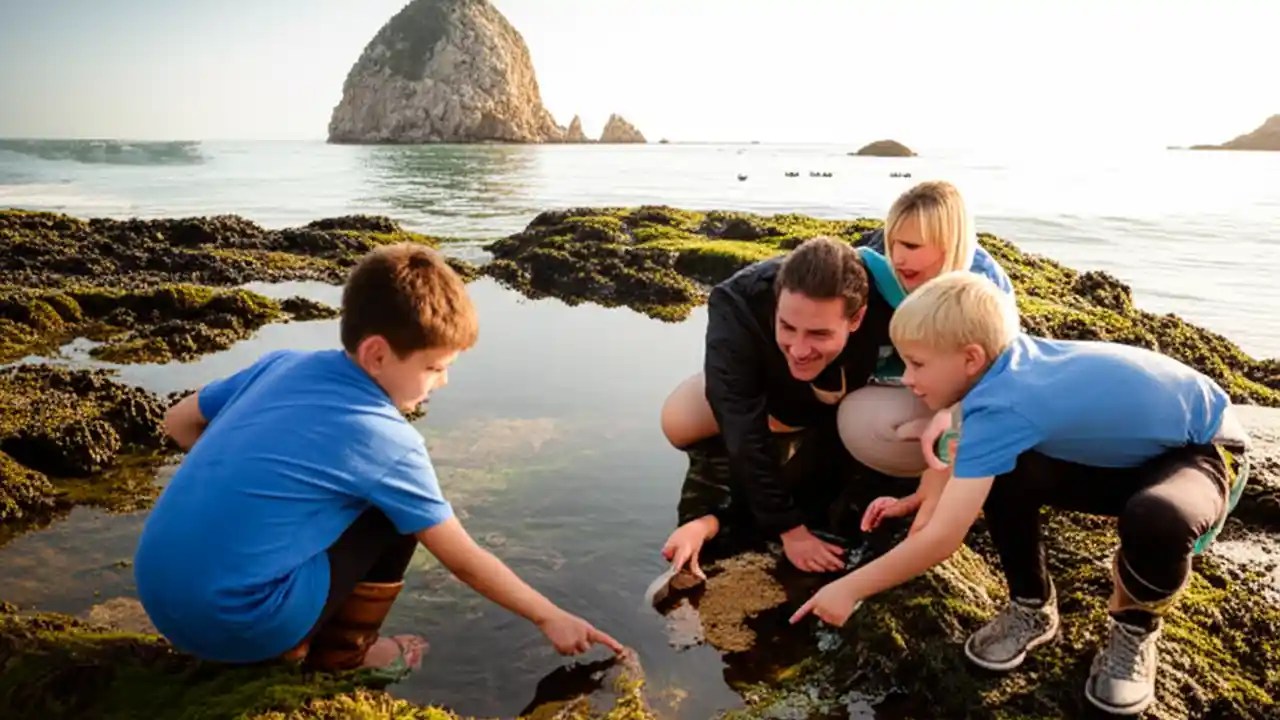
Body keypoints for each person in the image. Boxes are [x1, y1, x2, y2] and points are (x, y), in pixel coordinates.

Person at [134, 243, 622, 676]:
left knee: (346, 500)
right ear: (376, 355)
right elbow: (463, 559)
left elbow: (177, 421)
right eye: (434, 368)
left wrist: (239, 479)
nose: (442, 382)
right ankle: (342, 655)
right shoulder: (387, 440)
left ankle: (290, 627)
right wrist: (549, 616)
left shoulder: (281, 364)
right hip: (241, 625)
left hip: (160, 597)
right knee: (394, 518)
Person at [790, 271, 1250, 716]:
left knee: (1156, 518)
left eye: (917, 363)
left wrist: (850, 588)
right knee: (1005, 469)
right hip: (1132, 456)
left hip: (1205, 452)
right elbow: (961, 446)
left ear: (970, 358)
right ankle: (1031, 605)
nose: (906, 378)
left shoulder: (1006, 404)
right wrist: (918, 499)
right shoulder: (1002, 367)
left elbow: (943, 539)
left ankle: (1135, 626)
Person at [659, 236, 896, 576]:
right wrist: (788, 529)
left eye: (818, 333)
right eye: (787, 327)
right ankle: (773, 430)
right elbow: (739, 423)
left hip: (849, 403)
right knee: (678, 421)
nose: (800, 348)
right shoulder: (736, 302)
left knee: (855, 451)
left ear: (857, 319)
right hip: (769, 397)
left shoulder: (891, 302)